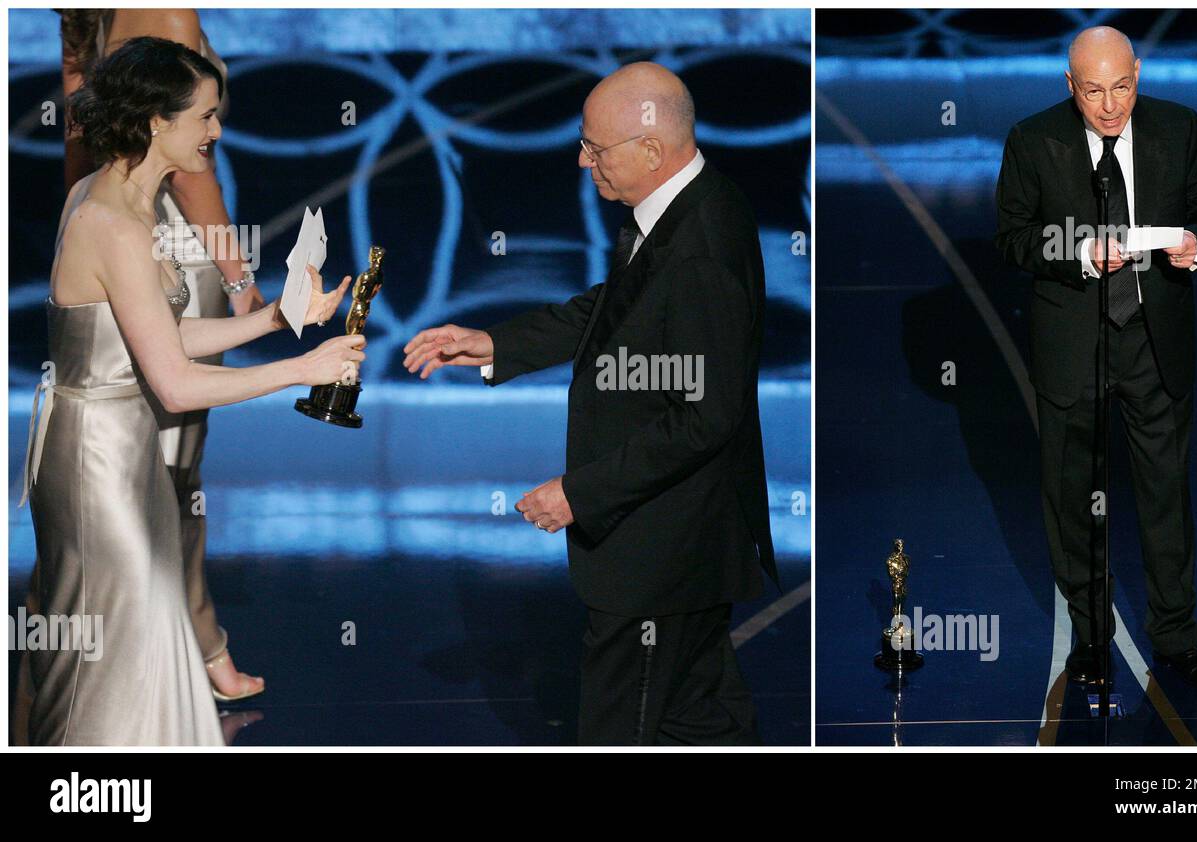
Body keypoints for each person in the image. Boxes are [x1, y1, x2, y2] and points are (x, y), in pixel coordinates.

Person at [403, 62, 778, 744]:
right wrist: (495, 344)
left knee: (621, 726)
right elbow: (613, 313)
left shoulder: (699, 248)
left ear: (651, 151)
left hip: (661, 551)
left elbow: (707, 415)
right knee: (699, 719)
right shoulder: (680, 210)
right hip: (681, 548)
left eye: (594, 148)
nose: (582, 161)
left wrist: (582, 492)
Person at [23, 36, 359, 744]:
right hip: (96, 463)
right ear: (154, 122)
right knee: (114, 642)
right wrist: (304, 370)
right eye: (204, 116)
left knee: (141, 629)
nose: (215, 131)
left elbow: (164, 339)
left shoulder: (128, 202)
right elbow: (174, 384)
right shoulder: (109, 219)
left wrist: (279, 317)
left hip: (123, 449)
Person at [995, 26, 1197, 690]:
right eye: (1093, 91)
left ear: (1139, 73)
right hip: (1075, 349)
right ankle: (1092, 640)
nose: (1109, 105)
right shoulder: (1033, 139)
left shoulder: (1179, 128)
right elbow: (1011, 238)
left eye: (1121, 86)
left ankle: (1178, 641)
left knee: (1166, 499)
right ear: (1070, 86)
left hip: (1156, 347)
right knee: (1075, 501)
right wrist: (1079, 253)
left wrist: (1196, 246)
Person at [61, 8, 267, 702]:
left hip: (120, 217)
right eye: (206, 115)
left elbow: (78, 140)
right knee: (172, 473)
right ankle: (191, 645)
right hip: (170, 240)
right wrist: (238, 272)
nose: (215, 126)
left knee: (155, 476)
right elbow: (191, 167)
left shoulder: (85, 21)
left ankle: (164, 645)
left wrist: (82, 227)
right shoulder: (165, 12)